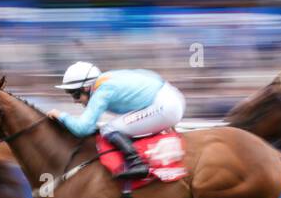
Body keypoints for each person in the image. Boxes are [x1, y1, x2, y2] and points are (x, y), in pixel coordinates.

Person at [46, 61, 185, 180]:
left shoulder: (102, 91)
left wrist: (60, 115)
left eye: (75, 94)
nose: (75, 101)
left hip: (165, 106)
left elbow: (83, 129)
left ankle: (137, 164)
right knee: (113, 126)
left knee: (109, 128)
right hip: (169, 97)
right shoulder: (106, 79)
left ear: (86, 87)